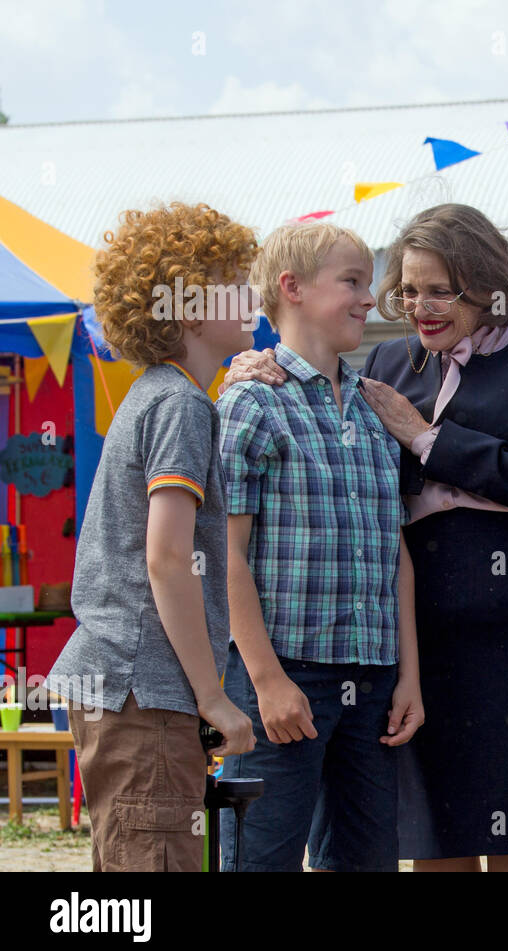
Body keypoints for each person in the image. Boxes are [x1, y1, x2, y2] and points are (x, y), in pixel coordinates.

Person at [226, 203, 508, 871]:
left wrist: (425, 437)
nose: (417, 305)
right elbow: (314, 404)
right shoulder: (386, 362)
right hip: (422, 622)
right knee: (431, 825)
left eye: (439, 290)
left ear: (485, 284)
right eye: (407, 289)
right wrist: (247, 368)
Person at [44, 202, 257, 872]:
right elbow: (168, 559)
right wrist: (213, 695)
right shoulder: (181, 404)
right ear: (191, 306)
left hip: (126, 687)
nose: (253, 294)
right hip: (144, 692)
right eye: (235, 279)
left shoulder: (158, 394)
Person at [216, 221, 423, 872]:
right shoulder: (252, 404)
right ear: (293, 289)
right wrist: (268, 682)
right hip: (283, 681)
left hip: (372, 681)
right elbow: (225, 558)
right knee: (261, 860)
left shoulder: (371, 410)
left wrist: (408, 673)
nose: (370, 300)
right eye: (353, 283)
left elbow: (396, 552)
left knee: (367, 863)